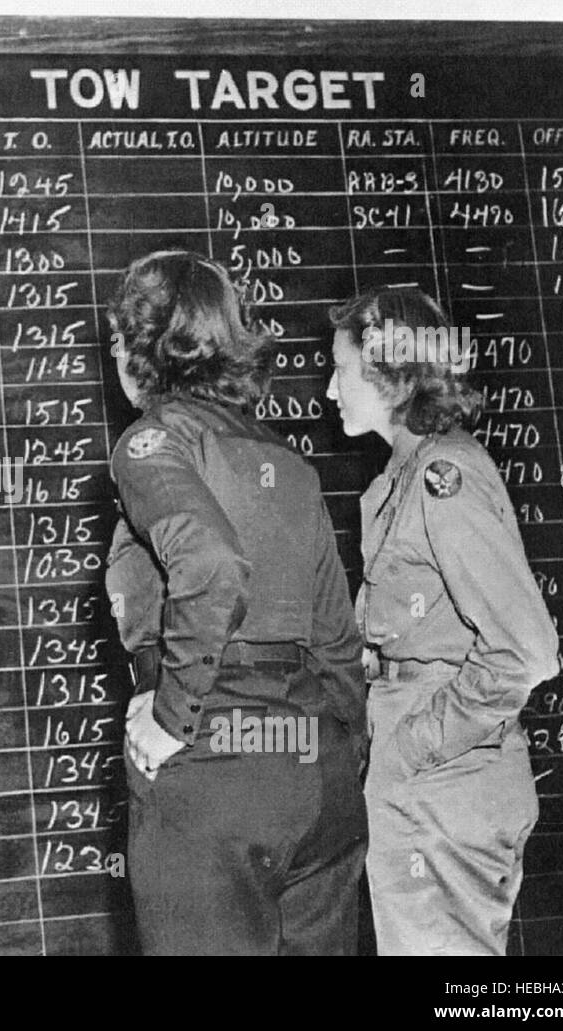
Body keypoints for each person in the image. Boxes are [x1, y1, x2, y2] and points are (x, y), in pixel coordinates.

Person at [104, 250, 367, 955]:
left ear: (142, 347)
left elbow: (214, 565)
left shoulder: (151, 445)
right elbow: (339, 643)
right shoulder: (289, 460)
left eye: (116, 337)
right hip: (318, 769)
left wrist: (170, 716)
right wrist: (339, 760)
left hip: (213, 765)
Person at [326, 286, 558, 955]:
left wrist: (412, 747)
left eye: (340, 370)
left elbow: (526, 651)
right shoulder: (404, 476)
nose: (329, 389)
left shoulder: (444, 473)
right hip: (425, 784)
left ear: (389, 376)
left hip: (442, 785)